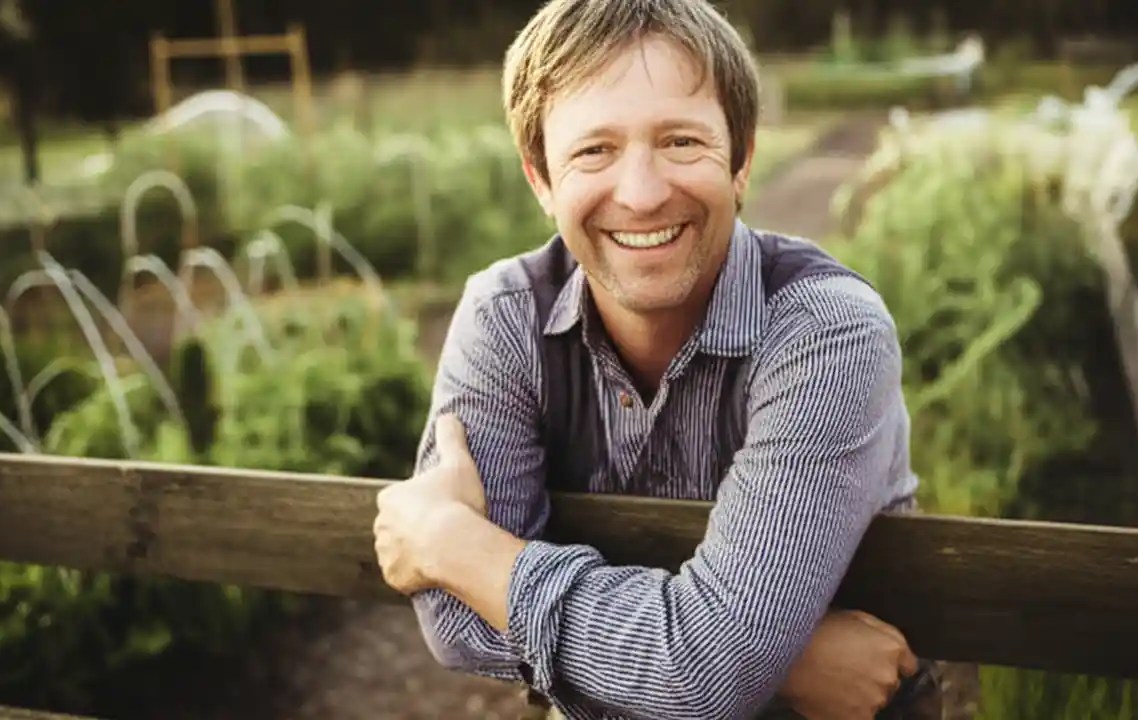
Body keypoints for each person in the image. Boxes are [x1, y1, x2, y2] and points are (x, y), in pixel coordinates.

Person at [371, 0, 934, 717]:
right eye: (594, 151)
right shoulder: (504, 317)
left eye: (680, 142)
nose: (641, 194)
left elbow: (706, 674)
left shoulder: (825, 333)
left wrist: (455, 548)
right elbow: (455, 624)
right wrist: (778, 660)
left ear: (742, 160)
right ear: (541, 179)